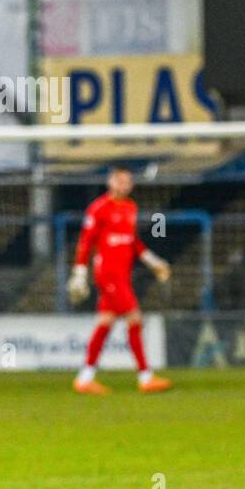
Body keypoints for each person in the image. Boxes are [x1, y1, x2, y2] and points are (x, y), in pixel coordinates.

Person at [69, 165, 173, 395]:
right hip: (108, 273)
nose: (125, 185)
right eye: (120, 181)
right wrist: (79, 272)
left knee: (105, 323)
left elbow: (132, 241)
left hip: (122, 274)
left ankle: (85, 377)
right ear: (111, 183)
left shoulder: (130, 207)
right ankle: (145, 377)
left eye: (128, 181)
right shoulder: (98, 208)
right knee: (135, 319)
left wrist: (154, 262)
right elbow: (86, 241)